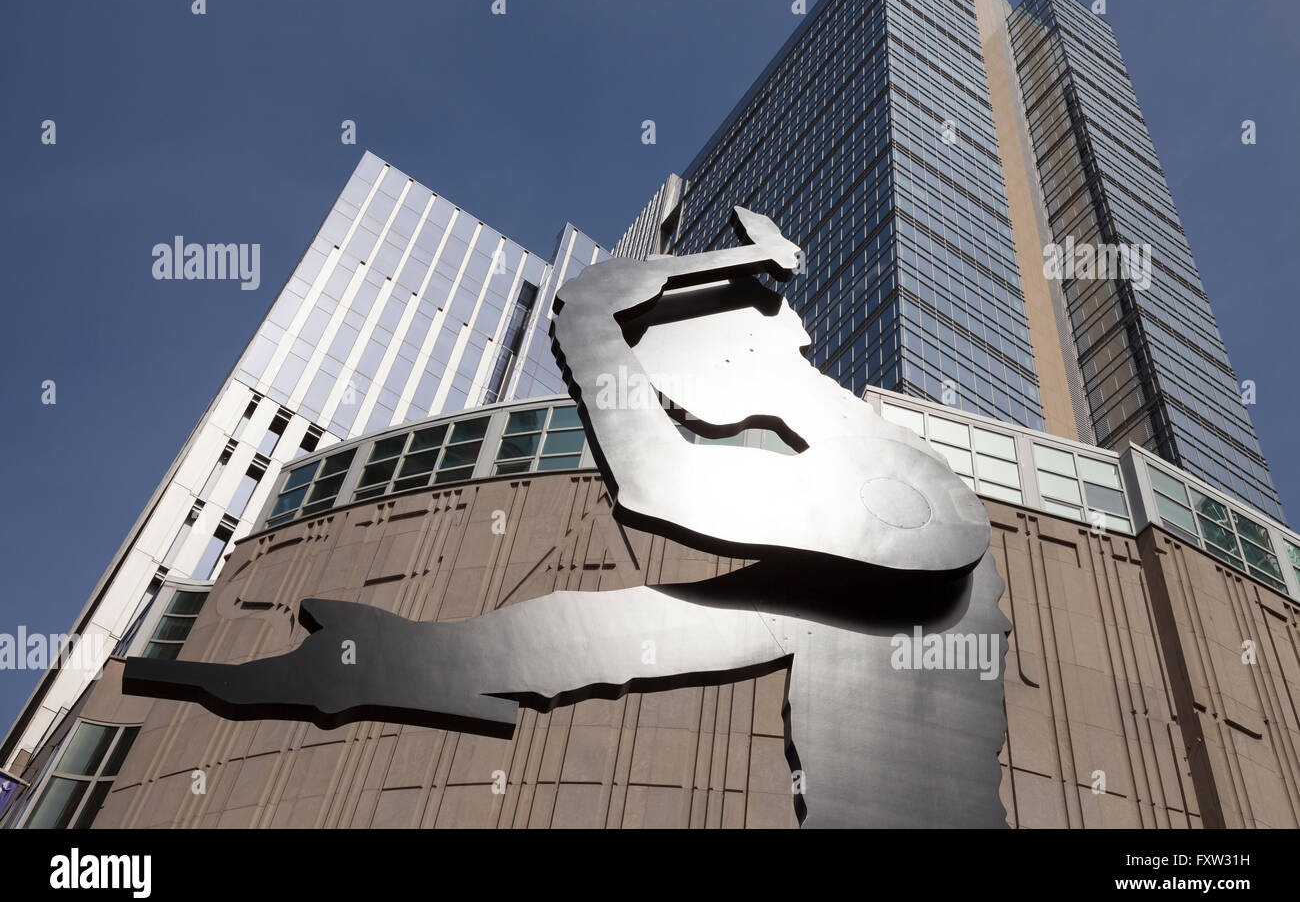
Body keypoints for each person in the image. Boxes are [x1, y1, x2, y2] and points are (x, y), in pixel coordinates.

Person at [125, 209, 1010, 827]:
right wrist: (400, 661)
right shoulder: (856, 542)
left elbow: (664, 488)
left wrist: (593, 331)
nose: (680, 404)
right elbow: (621, 631)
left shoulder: (902, 502)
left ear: (762, 347)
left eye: (676, 384)